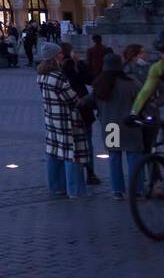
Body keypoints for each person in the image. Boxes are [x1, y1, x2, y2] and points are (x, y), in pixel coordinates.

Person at [36, 41, 89, 199]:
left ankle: (57, 186)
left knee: (53, 153)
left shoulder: (42, 76)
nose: (62, 56)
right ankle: (76, 190)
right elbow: (72, 99)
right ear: (53, 57)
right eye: (59, 54)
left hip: (51, 119)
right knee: (71, 155)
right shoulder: (58, 78)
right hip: (66, 120)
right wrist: (85, 100)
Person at [93, 54, 145, 200]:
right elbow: (142, 99)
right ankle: (137, 189)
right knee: (134, 157)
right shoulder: (131, 82)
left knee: (114, 158)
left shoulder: (100, 83)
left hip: (110, 126)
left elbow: (91, 100)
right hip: (130, 125)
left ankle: (117, 190)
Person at [60, 42, 98, 184]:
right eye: (74, 51)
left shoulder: (58, 68)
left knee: (71, 143)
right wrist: (80, 65)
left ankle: (74, 176)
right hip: (81, 109)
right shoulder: (73, 67)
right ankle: (90, 173)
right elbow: (89, 79)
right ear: (69, 53)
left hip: (66, 111)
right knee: (87, 142)